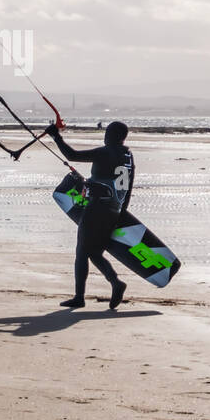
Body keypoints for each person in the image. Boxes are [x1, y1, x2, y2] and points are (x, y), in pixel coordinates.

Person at [45, 120, 133, 310]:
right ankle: (116, 283)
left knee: (81, 252)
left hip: (96, 210)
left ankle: (79, 297)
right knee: (94, 252)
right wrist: (121, 212)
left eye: (107, 132)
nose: (105, 135)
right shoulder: (128, 155)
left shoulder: (105, 152)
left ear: (111, 135)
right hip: (113, 210)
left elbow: (72, 155)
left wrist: (56, 136)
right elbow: (127, 186)